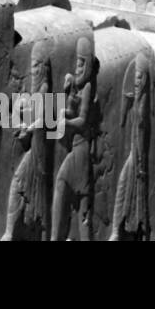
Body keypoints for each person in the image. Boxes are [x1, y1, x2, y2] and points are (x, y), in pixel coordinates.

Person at [2, 40, 52, 241]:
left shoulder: (44, 88)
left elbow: (42, 120)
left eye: (34, 66)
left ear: (41, 67)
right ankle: (13, 231)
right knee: (22, 186)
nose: (31, 71)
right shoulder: (38, 89)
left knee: (19, 183)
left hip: (38, 150)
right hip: (33, 145)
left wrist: (29, 128)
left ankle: (10, 232)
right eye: (30, 66)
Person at [51, 35, 100, 241]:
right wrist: (67, 90)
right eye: (76, 63)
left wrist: (67, 123)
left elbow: (82, 120)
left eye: (81, 64)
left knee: (63, 184)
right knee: (81, 208)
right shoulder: (79, 87)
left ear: (88, 65)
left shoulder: (88, 88)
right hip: (75, 148)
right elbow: (70, 112)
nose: (78, 68)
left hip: (81, 149)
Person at [110, 53, 154, 240]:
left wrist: (138, 162)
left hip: (136, 157)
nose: (136, 81)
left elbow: (140, 133)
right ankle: (118, 231)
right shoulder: (138, 101)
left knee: (125, 188)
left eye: (139, 77)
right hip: (134, 155)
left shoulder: (143, 105)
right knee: (127, 191)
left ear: (144, 79)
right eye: (135, 76)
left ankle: (117, 231)